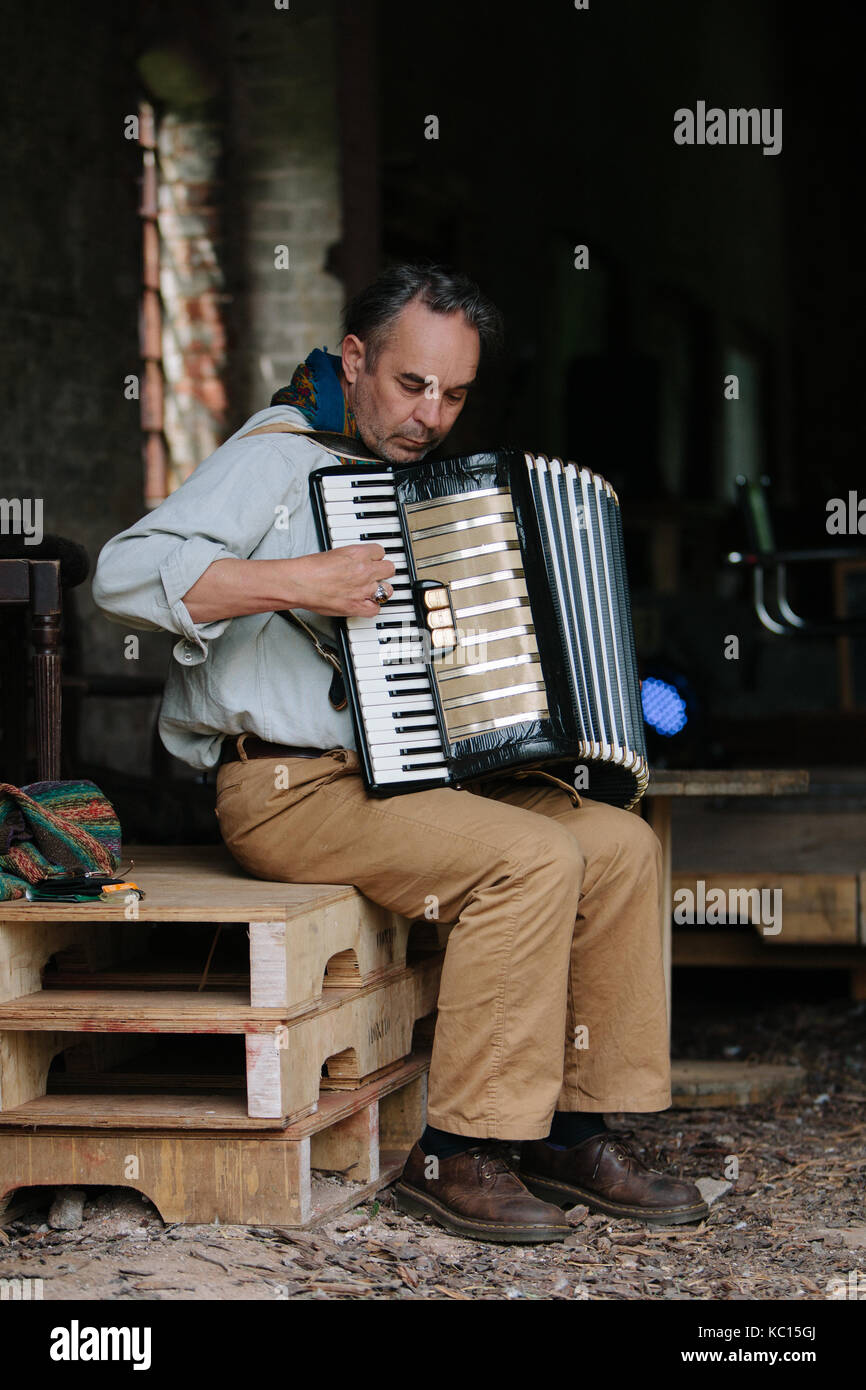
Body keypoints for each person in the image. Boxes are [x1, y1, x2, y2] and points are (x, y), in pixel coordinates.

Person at [92, 263, 708, 1243]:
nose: (429, 415)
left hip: (411, 777)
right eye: (409, 384)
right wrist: (299, 576)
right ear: (355, 360)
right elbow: (120, 575)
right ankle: (455, 1150)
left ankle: (572, 1130)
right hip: (290, 786)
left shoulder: (430, 494)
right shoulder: (278, 457)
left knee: (617, 842)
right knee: (530, 858)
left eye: (453, 393)